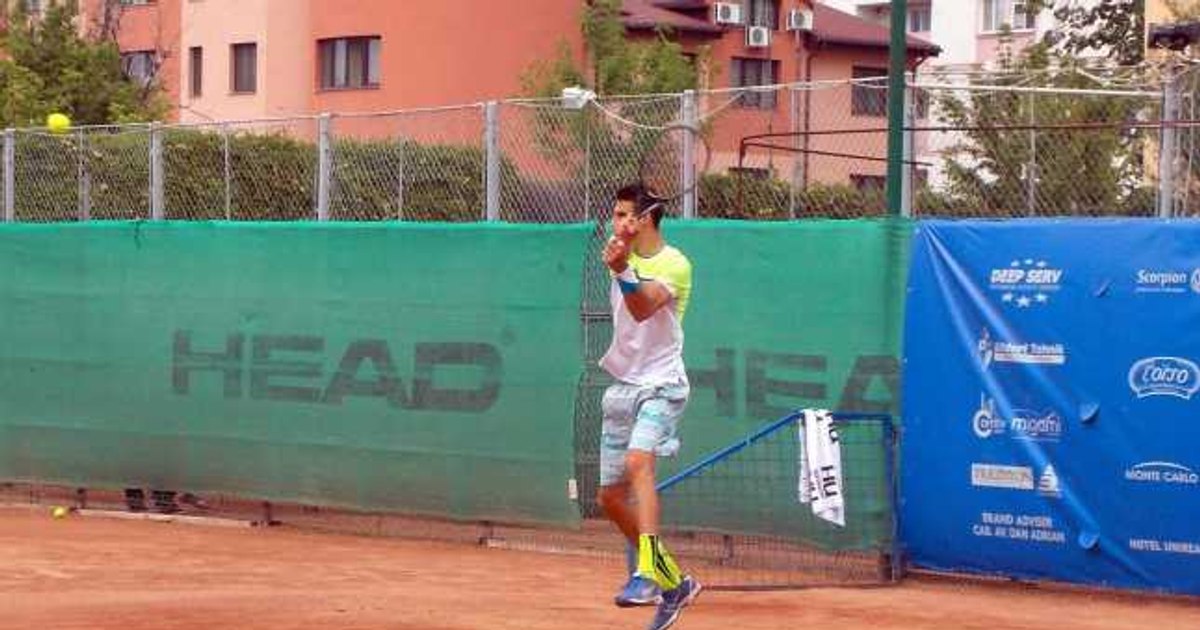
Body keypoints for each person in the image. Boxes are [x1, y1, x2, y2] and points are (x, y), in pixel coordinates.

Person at [597, 184, 701, 630]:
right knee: (608, 496)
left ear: (648, 218)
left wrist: (622, 271)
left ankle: (647, 572)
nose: (618, 223)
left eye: (626, 215)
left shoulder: (675, 263)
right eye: (615, 215)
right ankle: (674, 581)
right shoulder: (619, 257)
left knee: (640, 462)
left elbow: (642, 310)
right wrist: (620, 266)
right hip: (622, 384)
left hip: (662, 383)